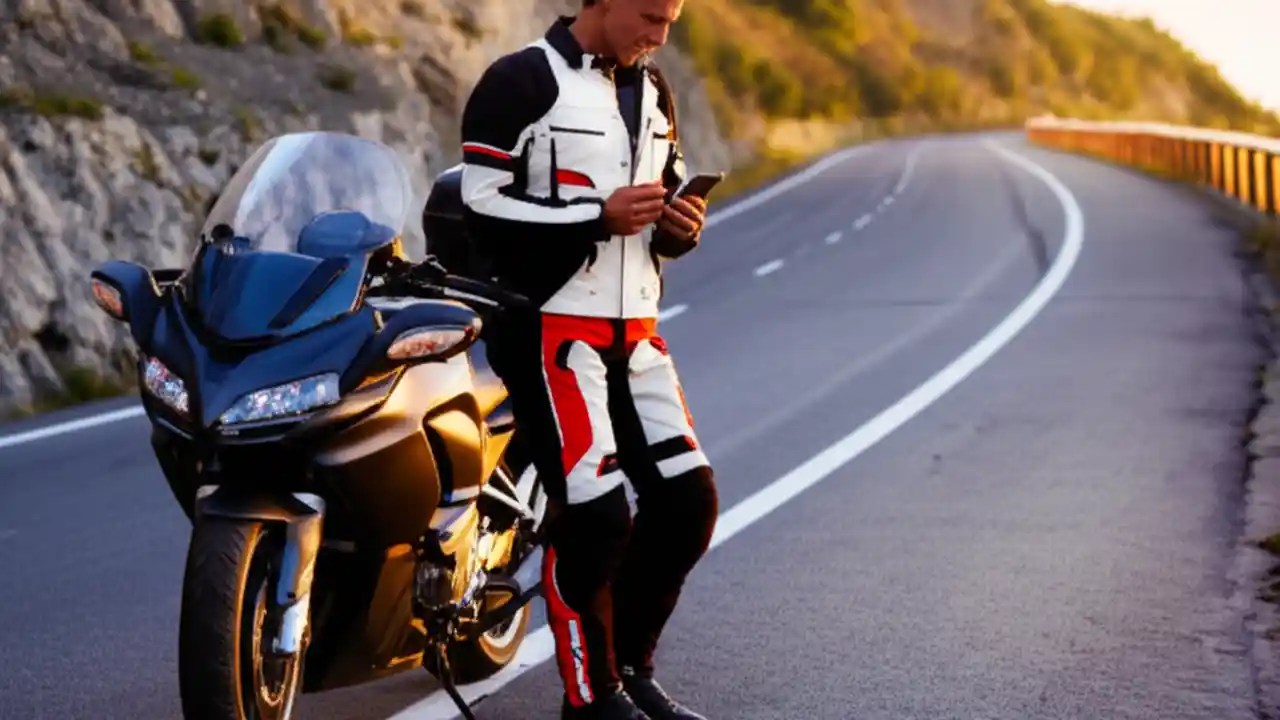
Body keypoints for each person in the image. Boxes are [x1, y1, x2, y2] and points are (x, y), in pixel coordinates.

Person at [458, 2, 717, 719]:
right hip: (548, 333)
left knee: (688, 504)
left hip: (635, 335)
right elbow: (480, 205)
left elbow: (661, 207)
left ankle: (631, 673)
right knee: (596, 521)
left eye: (671, 20)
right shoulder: (518, 82)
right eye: (649, 15)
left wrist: (678, 227)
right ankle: (592, 700)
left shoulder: (654, 87)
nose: (660, 35)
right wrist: (594, 218)